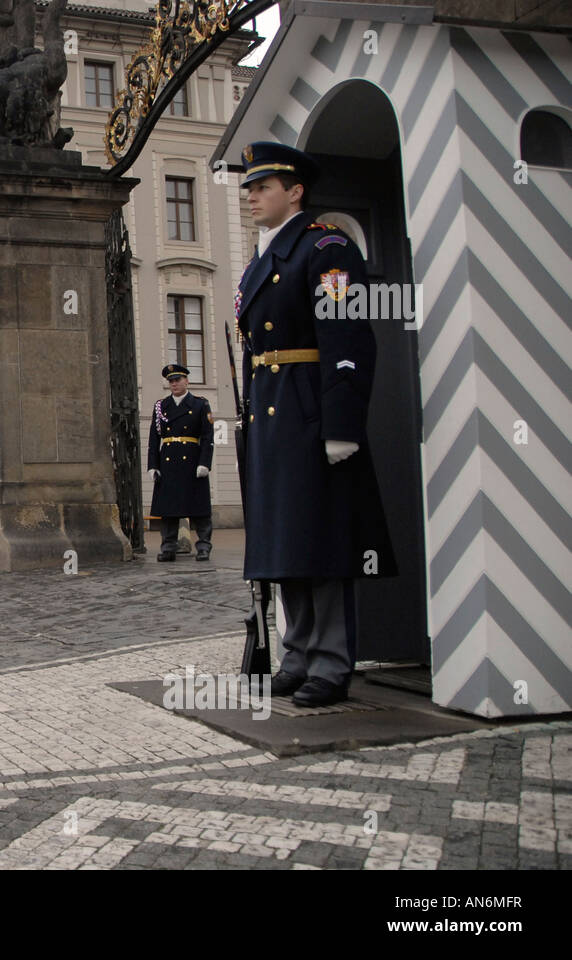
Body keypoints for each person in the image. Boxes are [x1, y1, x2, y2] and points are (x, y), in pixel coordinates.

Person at [236, 141, 396, 708]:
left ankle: (331, 661)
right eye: (248, 188)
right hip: (272, 414)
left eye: (263, 187)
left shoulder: (326, 248)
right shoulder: (262, 261)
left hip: (309, 409)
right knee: (286, 541)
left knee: (324, 540)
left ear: (295, 190)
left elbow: (347, 335)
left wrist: (342, 421)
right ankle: (298, 653)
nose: (251, 196)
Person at [147, 362, 214, 562]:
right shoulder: (161, 406)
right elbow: (153, 439)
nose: (174, 384)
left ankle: (203, 546)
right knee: (169, 509)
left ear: (186, 381)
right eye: (171, 381)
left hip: (192, 460)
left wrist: (205, 463)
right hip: (168, 461)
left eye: (177, 380)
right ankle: (168, 547)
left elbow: (207, 436)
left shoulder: (200, 404)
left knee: (199, 508)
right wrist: (153, 465)